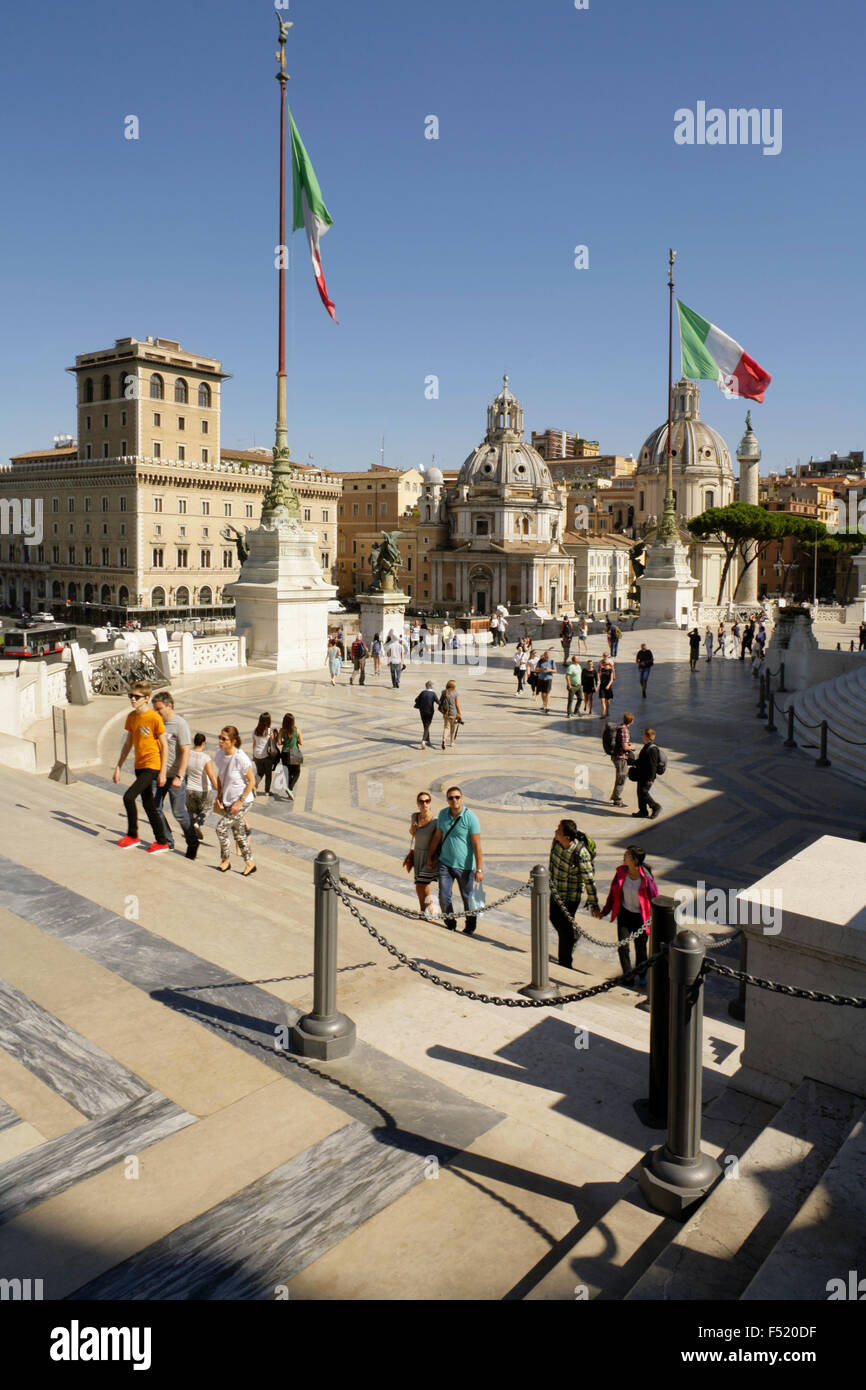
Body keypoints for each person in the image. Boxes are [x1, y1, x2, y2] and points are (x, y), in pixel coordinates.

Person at [113, 680, 171, 852]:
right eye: (130, 696)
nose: (132, 699)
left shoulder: (154, 718)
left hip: (152, 765)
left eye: (136, 697)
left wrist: (163, 772)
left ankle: (132, 836)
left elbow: (165, 745)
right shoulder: (131, 717)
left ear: (146, 698)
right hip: (139, 765)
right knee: (148, 804)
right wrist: (119, 766)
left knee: (129, 797)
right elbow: (128, 744)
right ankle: (162, 841)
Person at [594, 846, 658, 990]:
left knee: (640, 949)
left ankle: (642, 975)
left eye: (627, 855)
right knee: (623, 946)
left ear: (634, 860)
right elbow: (612, 894)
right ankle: (628, 976)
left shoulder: (647, 879)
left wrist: (654, 919)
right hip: (624, 914)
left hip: (641, 918)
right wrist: (604, 912)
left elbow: (655, 899)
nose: (624, 856)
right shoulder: (620, 873)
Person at [426, 786, 483, 934]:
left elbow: (477, 845)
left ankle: (470, 925)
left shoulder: (470, 818)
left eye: (457, 797)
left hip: (465, 867)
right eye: (451, 798)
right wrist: (430, 856)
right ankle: (450, 922)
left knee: (467, 898)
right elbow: (437, 837)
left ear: (462, 798)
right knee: (444, 896)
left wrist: (479, 869)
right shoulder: (443, 814)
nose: (454, 800)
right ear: (447, 800)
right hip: (445, 863)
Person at [151, 691, 199, 859]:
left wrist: (179, 776)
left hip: (174, 776)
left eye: (159, 709)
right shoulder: (157, 723)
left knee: (178, 813)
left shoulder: (180, 724)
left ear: (169, 706)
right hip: (159, 774)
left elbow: (186, 751)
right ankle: (167, 840)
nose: (156, 712)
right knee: (154, 807)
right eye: (154, 709)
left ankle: (192, 842)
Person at [548, 819, 599, 968]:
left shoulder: (580, 853)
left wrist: (593, 903)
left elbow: (589, 879)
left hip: (571, 897)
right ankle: (573, 935)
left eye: (559, 830)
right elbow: (552, 862)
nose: (556, 832)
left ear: (568, 837)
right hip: (556, 891)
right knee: (554, 918)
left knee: (564, 930)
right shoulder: (556, 842)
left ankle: (565, 963)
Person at [213, 725, 256, 876]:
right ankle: (250, 863)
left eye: (223, 739)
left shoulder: (241, 758)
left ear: (233, 741)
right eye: (219, 737)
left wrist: (240, 802)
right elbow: (220, 776)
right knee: (239, 833)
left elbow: (251, 782)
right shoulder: (219, 755)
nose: (220, 741)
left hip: (243, 802)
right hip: (229, 801)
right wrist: (219, 795)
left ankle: (225, 860)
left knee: (221, 828)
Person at [403, 790, 439, 919]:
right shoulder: (414, 816)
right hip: (417, 854)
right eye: (421, 801)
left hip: (429, 856)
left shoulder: (436, 821)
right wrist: (412, 829)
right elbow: (413, 833)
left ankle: (428, 911)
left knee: (420, 885)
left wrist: (433, 858)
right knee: (423, 886)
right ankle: (426, 911)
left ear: (430, 803)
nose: (424, 804)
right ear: (417, 804)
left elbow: (438, 840)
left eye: (427, 801)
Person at [186, 732, 218, 839]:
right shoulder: (205, 758)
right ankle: (198, 823)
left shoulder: (187, 754)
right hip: (203, 790)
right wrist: (219, 789)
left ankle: (193, 830)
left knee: (192, 811)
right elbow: (212, 776)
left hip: (189, 788)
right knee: (208, 807)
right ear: (204, 743)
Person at [634, 726, 662, 819]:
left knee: (643, 792)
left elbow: (653, 765)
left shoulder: (652, 749)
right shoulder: (647, 746)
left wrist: (651, 778)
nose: (642, 736)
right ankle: (643, 811)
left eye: (643, 734)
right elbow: (642, 760)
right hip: (642, 774)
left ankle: (655, 807)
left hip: (647, 776)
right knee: (639, 792)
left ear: (647, 736)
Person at [610, 711, 634, 808]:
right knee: (621, 778)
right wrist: (632, 747)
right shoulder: (624, 730)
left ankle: (614, 795)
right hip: (620, 757)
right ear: (631, 721)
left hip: (616, 756)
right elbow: (625, 747)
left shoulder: (620, 727)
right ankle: (617, 799)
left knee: (620, 777)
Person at [277, 713, 304, 801]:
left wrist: (285, 742)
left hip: (284, 753)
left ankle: (289, 790)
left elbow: (279, 743)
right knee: (297, 772)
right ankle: (290, 788)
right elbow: (301, 743)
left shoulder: (281, 730)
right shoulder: (297, 730)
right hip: (295, 752)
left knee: (287, 772)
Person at [251, 712, 278, 794]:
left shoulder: (255, 730)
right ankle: (267, 791)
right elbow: (273, 743)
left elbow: (254, 743)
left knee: (260, 772)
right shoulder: (269, 731)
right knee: (268, 773)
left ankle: (254, 786)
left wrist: (253, 754)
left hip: (256, 755)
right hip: (266, 755)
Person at [414, 680, 438, 749]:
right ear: (431, 686)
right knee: (427, 726)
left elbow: (416, 700)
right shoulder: (433, 693)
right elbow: (438, 702)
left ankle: (428, 740)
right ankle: (423, 741)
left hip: (422, 711)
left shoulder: (422, 692)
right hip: (430, 712)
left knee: (425, 725)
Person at [439, 679, 462, 747]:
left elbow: (440, 702)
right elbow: (457, 704)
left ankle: (444, 740)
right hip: (453, 713)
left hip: (445, 713)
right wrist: (459, 713)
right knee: (452, 728)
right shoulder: (455, 693)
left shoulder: (443, 692)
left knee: (446, 727)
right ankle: (452, 742)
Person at [535, 650, 556, 714]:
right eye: (545, 655)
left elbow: (555, 670)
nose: (547, 656)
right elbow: (536, 670)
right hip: (541, 679)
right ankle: (544, 704)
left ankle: (546, 706)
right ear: (544, 655)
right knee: (542, 693)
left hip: (548, 679)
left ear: (549, 655)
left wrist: (550, 670)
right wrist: (542, 669)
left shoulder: (552, 661)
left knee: (546, 693)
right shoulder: (540, 661)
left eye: (548, 655)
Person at [565, 653, 582, 717]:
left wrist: (581, 683)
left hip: (578, 685)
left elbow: (579, 675)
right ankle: (569, 713)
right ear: (574, 660)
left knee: (580, 698)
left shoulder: (578, 666)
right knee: (570, 700)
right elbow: (567, 676)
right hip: (572, 685)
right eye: (577, 659)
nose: (579, 659)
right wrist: (569, 685)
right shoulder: (571, 667)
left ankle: (576, 711)